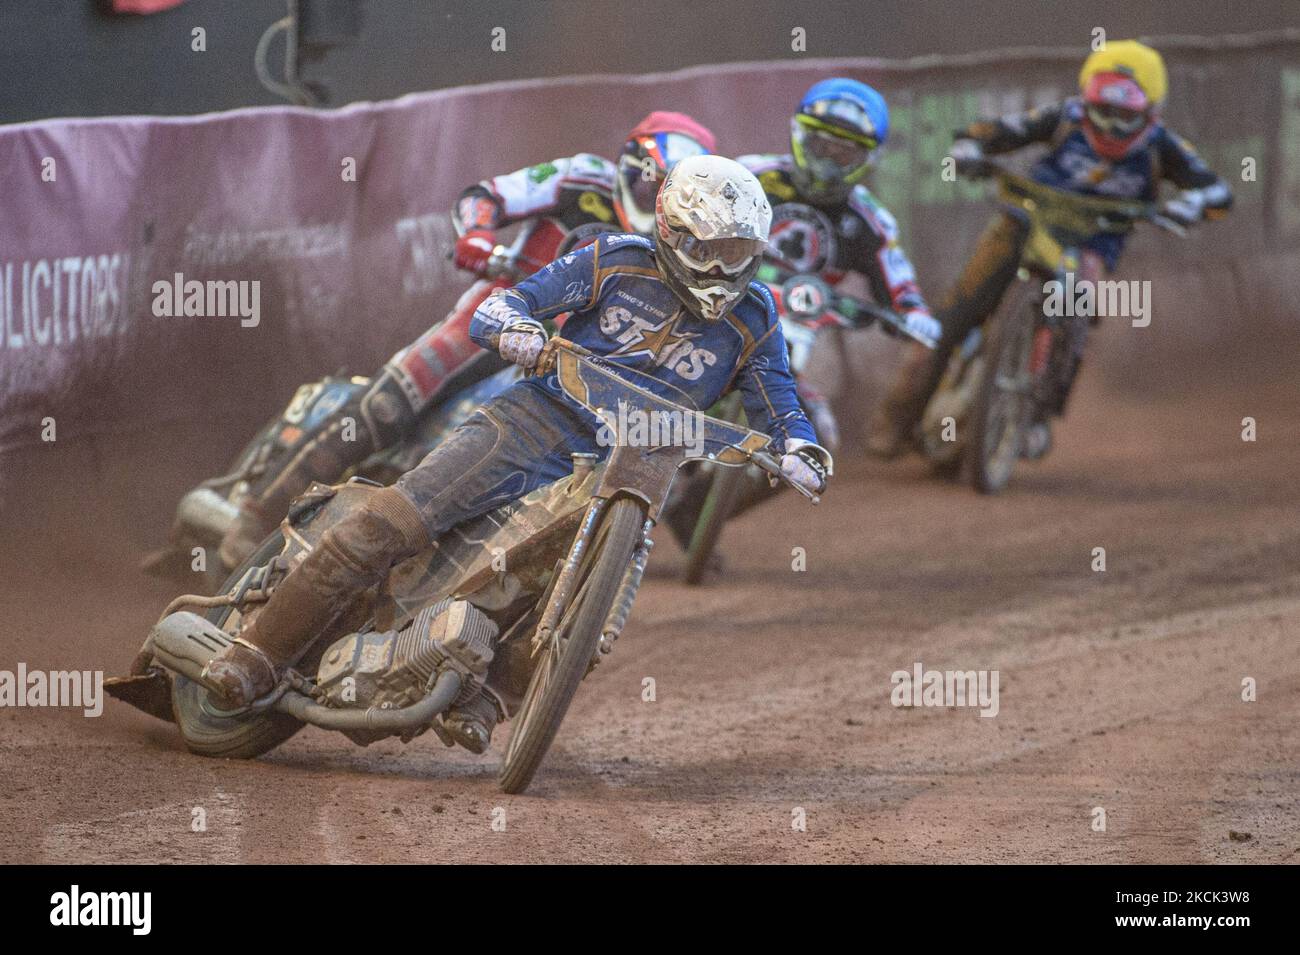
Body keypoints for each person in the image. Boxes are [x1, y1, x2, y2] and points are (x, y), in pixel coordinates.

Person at [199, 155, 832, 752]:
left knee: (595, 617)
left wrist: (800, 445)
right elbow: (510, 302)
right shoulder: (613, 258)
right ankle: (255, 654)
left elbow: (777, 399)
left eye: (739, 253)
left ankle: (490, 701)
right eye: (709, 250)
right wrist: (516, 328)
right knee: (395, 520)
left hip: (640, 465)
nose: (723, 269)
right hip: (538, 422)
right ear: (671, 232)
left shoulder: (755, 315)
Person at [218, 112, 717, 568]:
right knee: (392, 403)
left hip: (574, 354)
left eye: (668, 196)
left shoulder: (678, 247)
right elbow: (486, 195)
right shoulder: (579, 177)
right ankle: (253, 522)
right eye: (645, 181)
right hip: (503, 307)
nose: (652, 200)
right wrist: (477, 237)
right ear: (628, 166)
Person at [868, 40, 1232, 459]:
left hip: (1094, 238)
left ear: (1151, 112)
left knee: (1078, 305)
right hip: (1027, 219)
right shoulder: (1065, 117)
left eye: (1125, 116)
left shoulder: (1163, 145)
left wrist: (1193, 204)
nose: (1111, 127)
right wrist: (970, 148)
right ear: (1086, 99)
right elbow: (998, 131)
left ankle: (1038, 415)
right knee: (954, 315)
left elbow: (1216, 191)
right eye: (1103, 110)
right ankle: (896, 419)